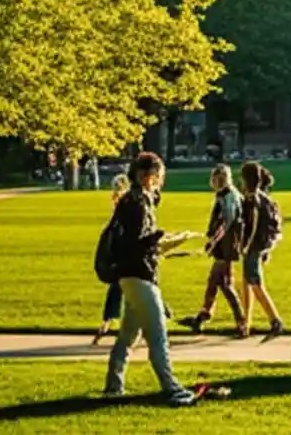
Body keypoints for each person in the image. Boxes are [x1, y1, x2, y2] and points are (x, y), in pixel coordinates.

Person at [104, 152, 196, 406]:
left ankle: (114, 385)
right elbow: (135, 244)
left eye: (152, 174)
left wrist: (162, 243)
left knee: (127, 336)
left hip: (132, 274)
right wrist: (159, 239)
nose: (150, 179)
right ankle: (171, 387)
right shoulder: (136, 203)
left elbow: (136, 243)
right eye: (147, 174)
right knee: (157, 336)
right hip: (139, 274)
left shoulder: (134, 200)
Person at [184, 165, 246, 337]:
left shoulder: (229, 196)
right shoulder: (224, 195)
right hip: (222, 245)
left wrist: (213, 241)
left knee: (225, 284)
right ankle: (203, 315)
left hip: (226, 246)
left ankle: (241, 321)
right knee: (214, 282)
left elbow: (227, 223)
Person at [239, 161, 283, 338]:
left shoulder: (253, 199)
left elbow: (253, 225)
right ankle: (246, 321)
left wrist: (245, 246)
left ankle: (275, 320)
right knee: (246, 282)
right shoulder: (264, 198)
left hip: (253, 246)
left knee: (255, 283)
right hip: (260, 245)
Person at [94, 174, 131, 345]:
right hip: (124, 259)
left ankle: (107, 322)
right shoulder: (124, 211)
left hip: (123, 259)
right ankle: (108, 321)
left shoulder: (121, 213)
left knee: (123, 289)